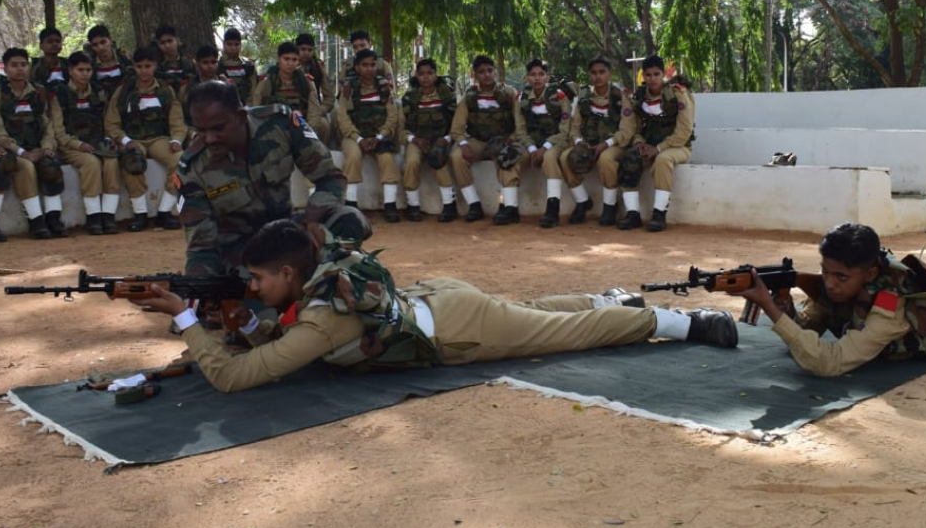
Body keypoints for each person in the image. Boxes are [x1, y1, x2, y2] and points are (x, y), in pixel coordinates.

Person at [128, 219, 739, 393]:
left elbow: (237, 378)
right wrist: (238, 322)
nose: (254, 289)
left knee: (565, 333)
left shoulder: (322, 317)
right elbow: (268, 333)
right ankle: (606, 297)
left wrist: (184, 318)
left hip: (459, 328)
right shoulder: (320, 275)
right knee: (533, 311)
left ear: (289, 274)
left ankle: (682, 322)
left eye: (259, 280)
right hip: (438, 299)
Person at [734, 222, 926, 378]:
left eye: (841, 276)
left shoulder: (889, 305)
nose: (829, 283)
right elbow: (810, 329)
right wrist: (788, 313)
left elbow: (831, 361)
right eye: (824, 271)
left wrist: (771, 310)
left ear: (870, 273)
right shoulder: (841, 284)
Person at [176, 81, 369, 276]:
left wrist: (310, 222)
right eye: (201, 131)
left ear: (241, 116)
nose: (209, 139)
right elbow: (202, 248)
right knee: (260, 278)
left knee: (349, 218)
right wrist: (198, 288)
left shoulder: (279, 125)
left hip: (287, 229)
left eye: (218, 128)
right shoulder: (191, 169)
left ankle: (329, 279)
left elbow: (330, 178)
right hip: (241, 250)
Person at [0, 47, 68, 239]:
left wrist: (47, 147)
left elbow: (47, 124)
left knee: (50, 164)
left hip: (36, 147)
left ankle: (53, 218)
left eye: (23, 65)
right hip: (11, 149)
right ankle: (36, 221)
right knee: (26, 167)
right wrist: (21, 152)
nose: (19, 69)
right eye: (14, 65)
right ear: (5, 68)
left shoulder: (38, 92)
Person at [104, 45, 186, 232]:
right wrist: (126, 141)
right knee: (132, 159)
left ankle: (165, 211)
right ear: (134, 66)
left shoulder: (165, 90)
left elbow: (177, 120)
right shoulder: (124, 91)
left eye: (148, 66)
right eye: (139, 66)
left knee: (181, 160)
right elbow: (112, 123)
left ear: (155, 66)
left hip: (159, 139)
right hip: (133, 140)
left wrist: (176, 140)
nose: (143, 71)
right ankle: (140, 214)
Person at [48, 51, 122, 235]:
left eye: (88, 70)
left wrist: (109, 139)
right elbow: (58, 131)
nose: (85, 74)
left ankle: (108, 215)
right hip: (70, 145)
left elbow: (107, 119)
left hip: (97, 142)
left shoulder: (98, 91)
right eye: (80, 70)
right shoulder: (60, 94)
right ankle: (93, 216)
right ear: (70, 71)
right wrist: (77, 145)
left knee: (112, 162)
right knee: (91, 163)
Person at [618, 55, 694, 232]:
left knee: (663, 160)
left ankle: (659, 214)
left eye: (656, 74)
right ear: (643, 75)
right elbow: (636, 128)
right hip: (650, 146)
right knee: (629, 158)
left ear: (663, 74)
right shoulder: (640, 97)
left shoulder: (677, 94)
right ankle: (633, 214)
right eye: (648, 75)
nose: (652, 79)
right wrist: (639, 143)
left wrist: (659, 148)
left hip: (678, 147)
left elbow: (684, 131)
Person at [449, 54, 526, 224]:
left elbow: (519, 123)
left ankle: (508, 206)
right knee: (456, 157)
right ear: (475, 74)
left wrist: (511, 139)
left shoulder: (509, 93)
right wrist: (463, 144)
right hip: (479, 141)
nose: (486, 75)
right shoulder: (470, 97)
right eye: (481, 71)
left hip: (504, 140)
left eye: (490, 70)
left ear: (495, 72)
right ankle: (474, 205)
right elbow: (457, 127)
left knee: (507, 158)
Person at [560, 56, 634, 226]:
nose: (598, 76)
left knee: (606, 159)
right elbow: (575, 126)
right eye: (594, 73)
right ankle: (582, 200)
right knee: (565, 157)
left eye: (602, 72)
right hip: (588, 144)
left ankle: (610, 206)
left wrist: (606, 144)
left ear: (609, 73)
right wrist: (579, 142)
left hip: (615, 144)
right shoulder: (584, 96)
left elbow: (627, 130)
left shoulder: (620, 96)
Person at [336, 49, 400, 220]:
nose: (369, 69)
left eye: (372, 65)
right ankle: (351, 205)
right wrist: (359, 139)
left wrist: (380, 137)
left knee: (387, 158)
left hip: (378, 135)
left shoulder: (384, 87)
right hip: (353, 136)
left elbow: (392, 115)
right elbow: (342, 116)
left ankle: (390, 205)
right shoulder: (349, 88)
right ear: (357, 68)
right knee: (353, 156)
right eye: (364, 65)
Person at [517, 59, 574, 229]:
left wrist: (544, 148)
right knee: (509, 156)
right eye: (533, 74)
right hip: (531, 144)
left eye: (541, 74)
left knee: (549, 157)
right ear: (527, 78)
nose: (537, 78)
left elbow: (564, 130)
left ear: (547, 77)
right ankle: (509, 207)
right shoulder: (521, 99)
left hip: (556, 142)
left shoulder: (560, 97)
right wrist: (532, 149)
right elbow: (520, 130)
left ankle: (552, 209)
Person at [399, 57, 458, 222]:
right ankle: (413, 205)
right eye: (422, 74)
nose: (426, 77)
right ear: (416, 76)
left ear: (435, 75)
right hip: (417, 140)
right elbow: (402, 126)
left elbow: (457, 122)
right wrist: (414, 139)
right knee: (411, 162)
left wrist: (446, 139)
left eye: (430, 73)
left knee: (439, 160)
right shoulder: (409, 97)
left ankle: (449, 205)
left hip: (441, 139)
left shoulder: (446, 95)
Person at [252, 41, 328, 142]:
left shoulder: (306, 82)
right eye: (286, 59)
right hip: (274, 126)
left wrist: (309, 131)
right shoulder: (267, 81)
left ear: (298, 61)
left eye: (294, 60)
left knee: (323, 125)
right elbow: (257, 107)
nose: (290, 63)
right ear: (278, 59)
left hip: (301, 124)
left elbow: (313, 110)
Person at [181, 45, 226, 138]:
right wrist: (192, 134)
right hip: (196, 132)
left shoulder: (226, 86)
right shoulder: (187, 88)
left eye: (213, 62)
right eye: (205, 62)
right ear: (198, 64)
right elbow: (181, 118)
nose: (210, 66)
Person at [295, 32, 336, 130]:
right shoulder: (289, 65)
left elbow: (329, 96)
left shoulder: (318, 67)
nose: (306, 53)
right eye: (303, 49)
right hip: (293, 109)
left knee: (324, 125)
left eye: (310, 50)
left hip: (314, 111)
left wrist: (321, 110)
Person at [86, 24, 133, 98]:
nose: (100, 47)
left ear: (110, 40)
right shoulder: (90, 66)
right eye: (95, 45)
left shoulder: (125, 59)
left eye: (103, 42)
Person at [217, 28, 257, 107]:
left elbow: (254, 91)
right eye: (229, 44)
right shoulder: (217, 65)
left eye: (236, 44)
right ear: (224, 44)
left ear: (241, 44)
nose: (233, 48)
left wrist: (249, 105)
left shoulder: (249, 66)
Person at [154, 24, 195, 95]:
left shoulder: (190, 63)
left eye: (170, 41)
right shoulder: (155, 66)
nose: (167, 46)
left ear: (177, 40)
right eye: (162, 43)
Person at [30, 27, 69, 92]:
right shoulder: (33, 67)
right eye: (50, 41)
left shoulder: (68, 64)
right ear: (41, 45)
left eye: (58, 41)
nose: (55, 44)